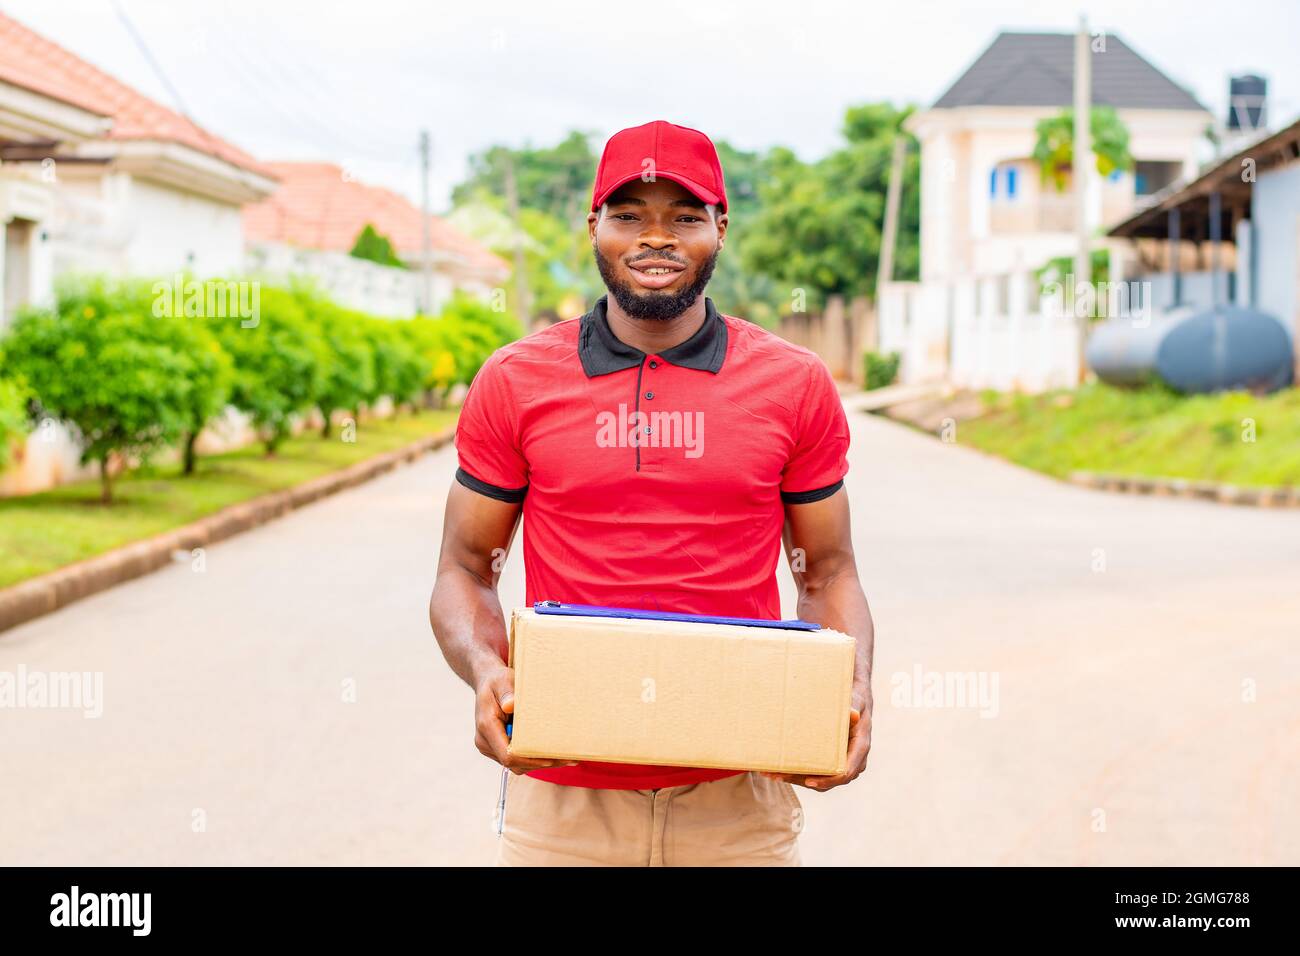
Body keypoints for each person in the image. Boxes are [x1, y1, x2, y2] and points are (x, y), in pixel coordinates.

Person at [429, 120, 874, 866]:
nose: (655, 238)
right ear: (593, 226)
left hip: (739, 794)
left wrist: (850, 692)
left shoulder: (793, 383)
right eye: (629, 214)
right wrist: (487, 671)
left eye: (685, 217)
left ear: (721, 228)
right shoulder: (516, 380)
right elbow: (465, 569)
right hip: (563, 796)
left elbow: (827, 571)